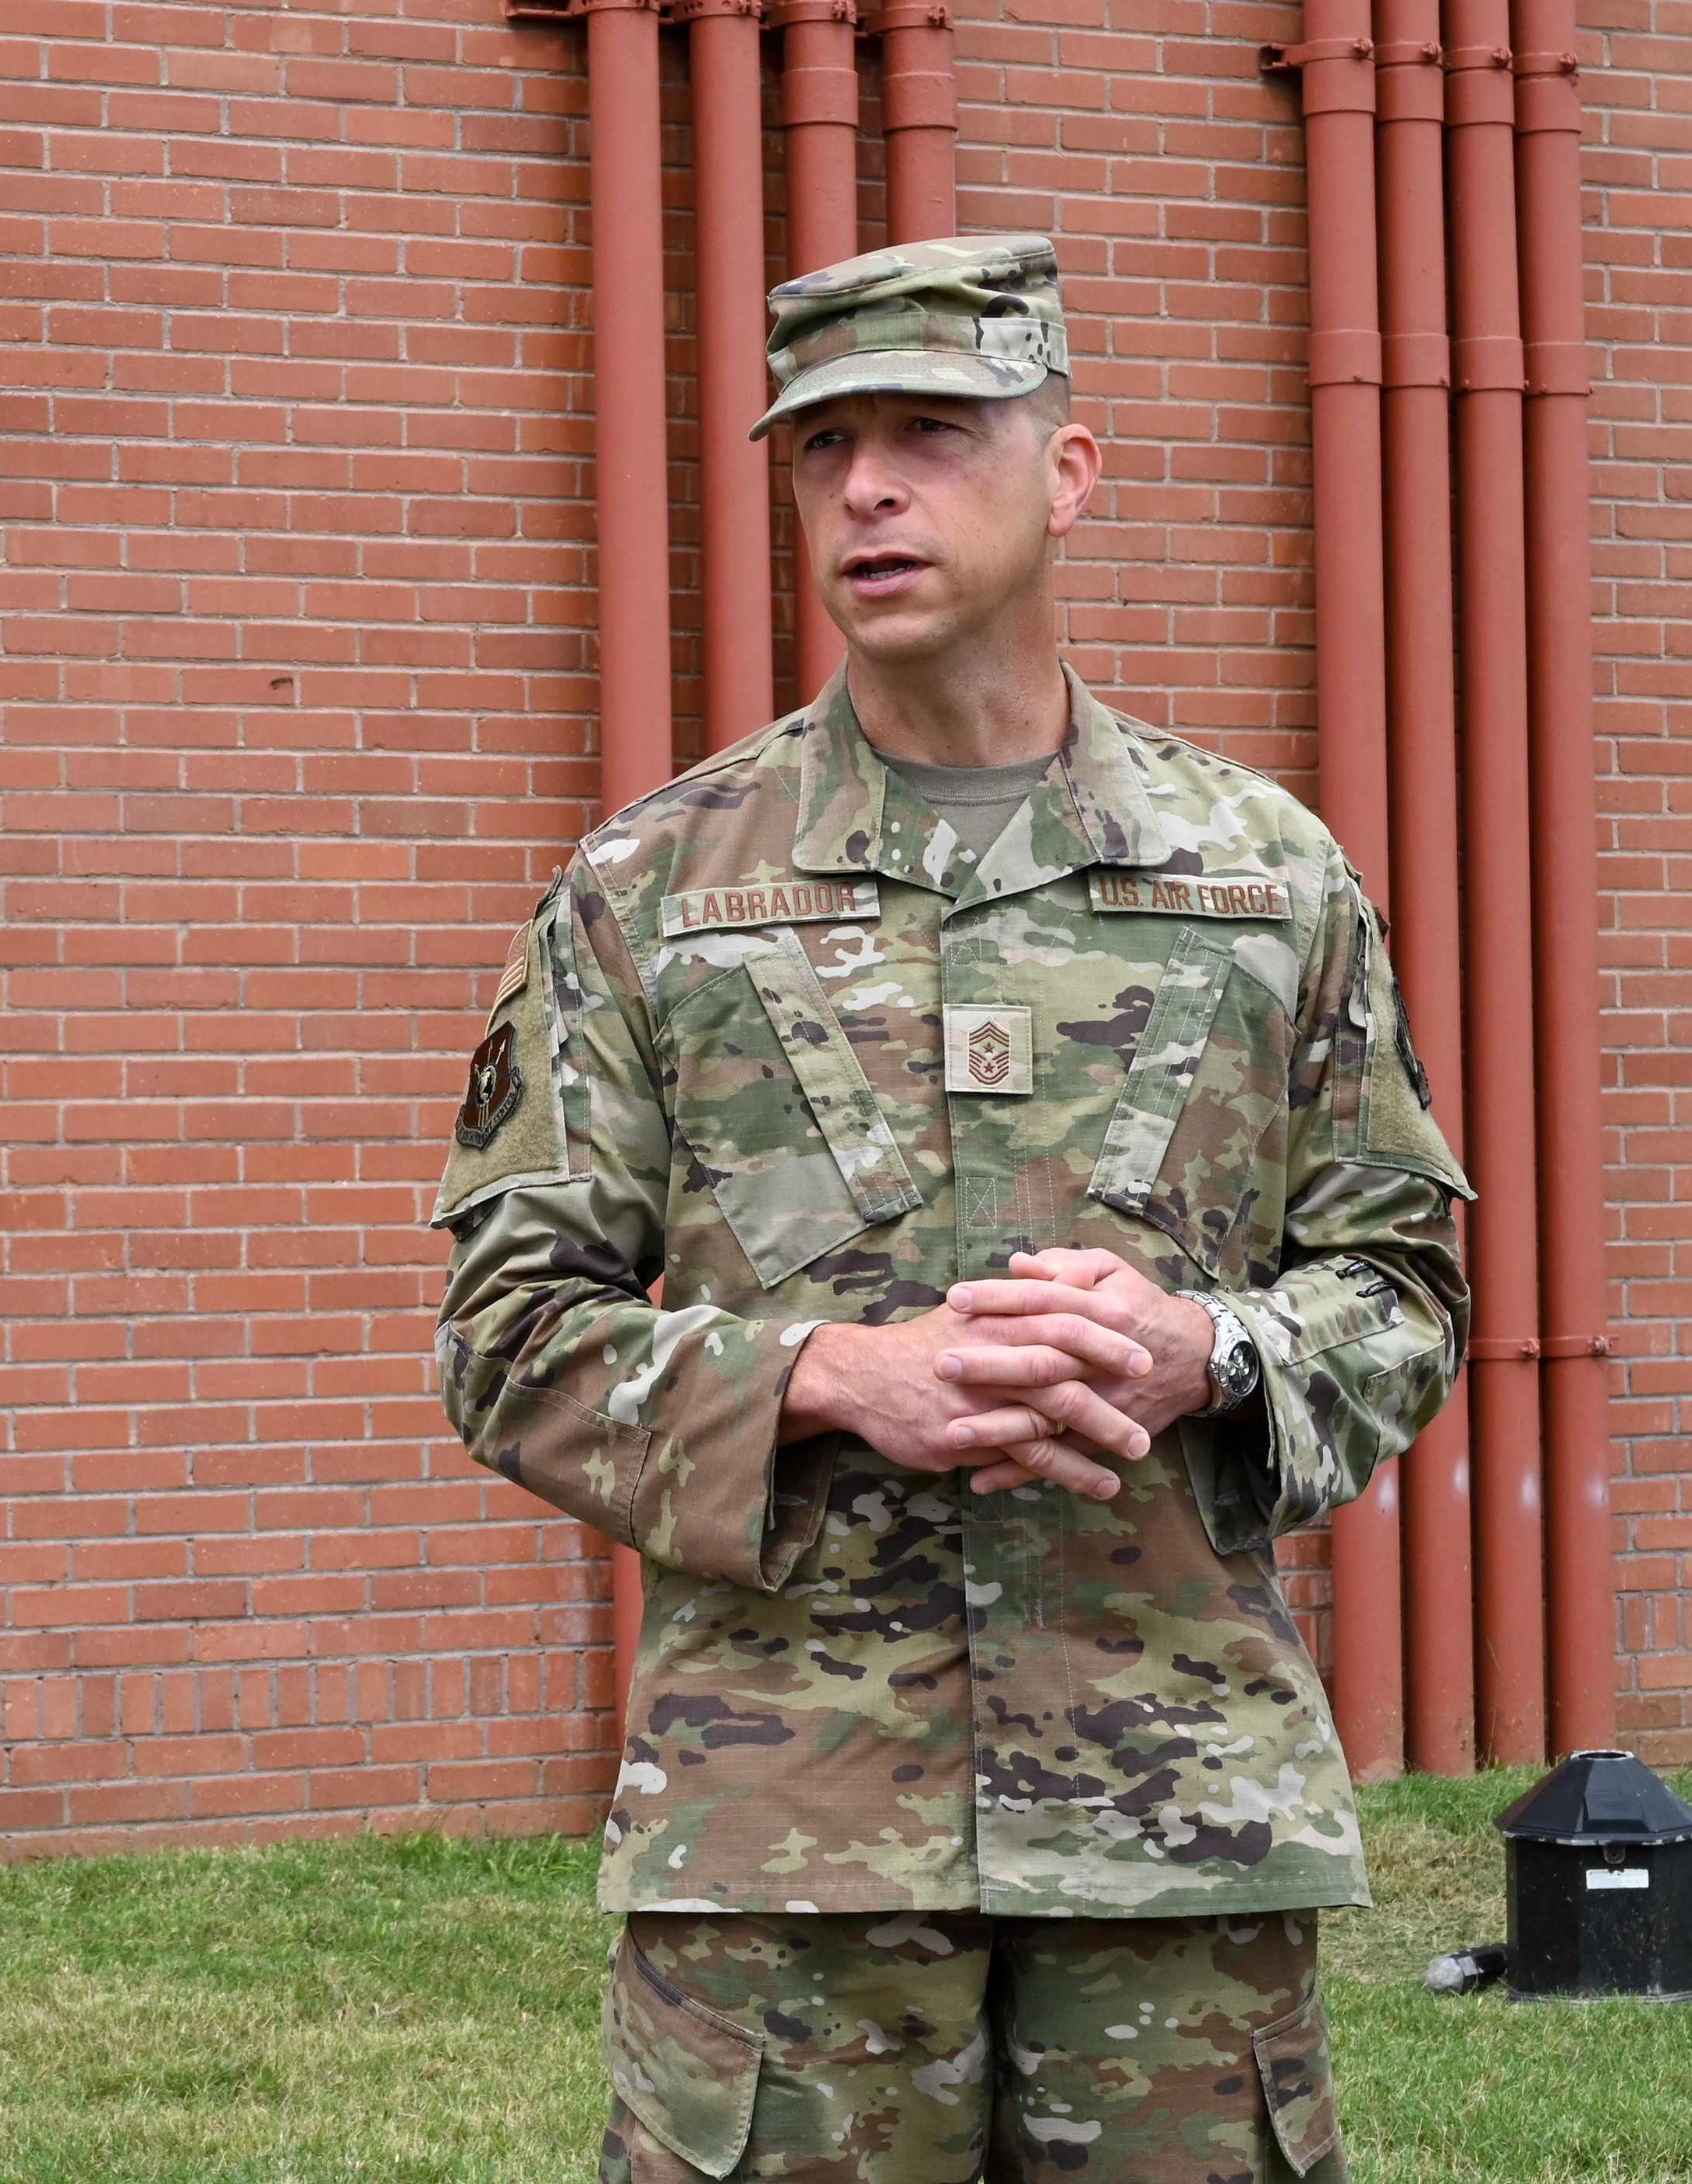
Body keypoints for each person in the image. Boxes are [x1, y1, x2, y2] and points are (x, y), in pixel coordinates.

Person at [431, 236, 1469, 2183]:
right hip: (783, 1837)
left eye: (927, 432)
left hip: (1171, 1816)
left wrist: (1208, 1347)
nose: (864, 489)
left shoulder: (1261, 878)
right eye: (821, 446)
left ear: (1066, 469)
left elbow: (1400, 1280)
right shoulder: (652, 887)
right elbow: (505, 1328)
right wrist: (828, 1374)